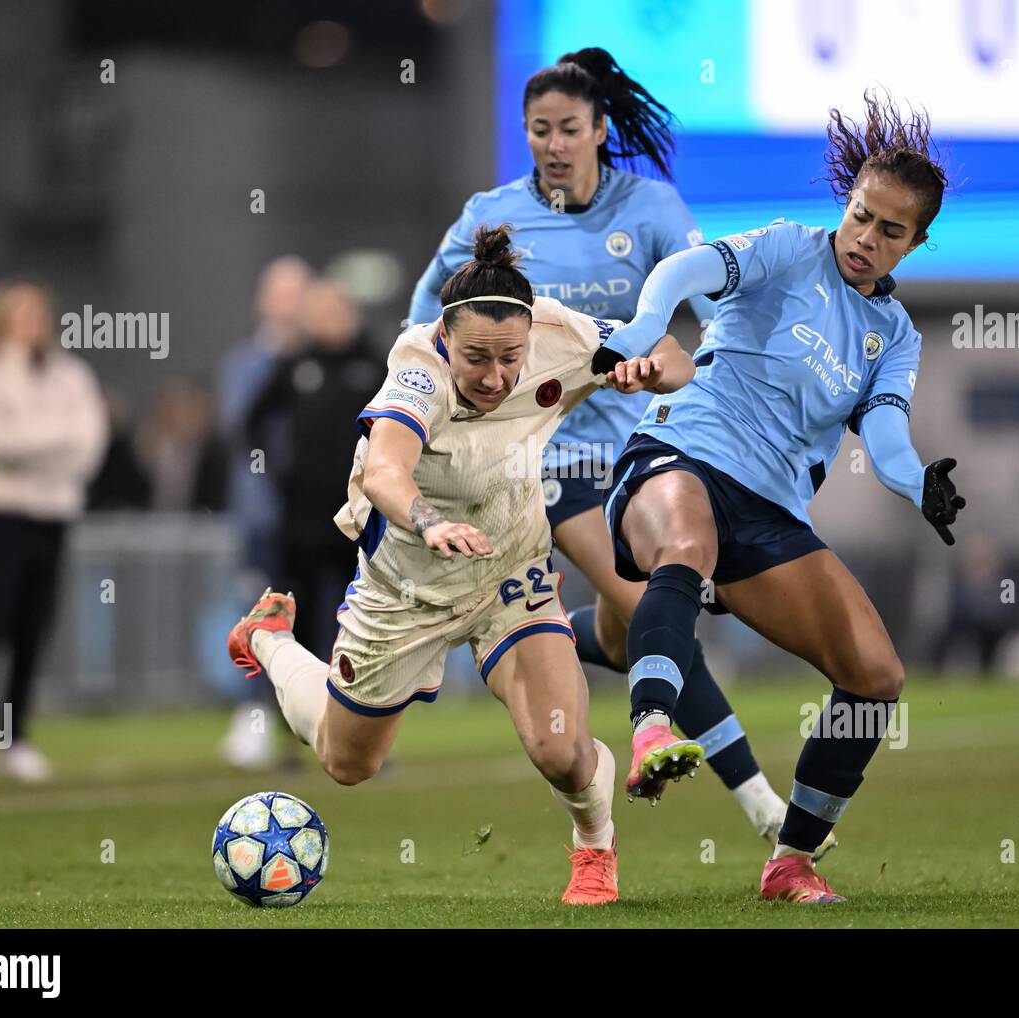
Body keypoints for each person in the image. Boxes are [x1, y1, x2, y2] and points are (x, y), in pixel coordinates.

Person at [407, 47, 804, 849]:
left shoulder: (650, 209)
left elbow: (709, 310)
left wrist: (671, 365)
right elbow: (423, 322)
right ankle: (764, 805)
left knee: (632, 632)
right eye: (537, 130)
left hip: (644, 451)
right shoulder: (495, 215)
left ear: (599, 130)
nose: (552, 144)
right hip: (542, 462)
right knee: (657, 609)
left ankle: (527, 640)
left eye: (568, 129)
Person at [228, 224, 695, 904]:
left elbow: (675, 352)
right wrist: (429, 520)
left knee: (560, 747)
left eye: (511, 358)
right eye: (478, 357)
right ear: (447, 339)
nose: (497, 376)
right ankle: (269, 641)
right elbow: (386, 470)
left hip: (511, 569)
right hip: (407, 586)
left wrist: (649, 368)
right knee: (347, 761)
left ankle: (594, 852)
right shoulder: (417, 370)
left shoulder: (563, 335)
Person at [597, 91, 966, 903]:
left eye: (890, 230)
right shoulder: (788, 249)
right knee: (686, 552)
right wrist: (642, 325)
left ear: (918, 242)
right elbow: (684, 270)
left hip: (769, 514)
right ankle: (651, 726)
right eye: (861, 215)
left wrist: (918, 484)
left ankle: (790, 860)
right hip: (681, 451)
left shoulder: (895, 337)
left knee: (876, 677)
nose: (866, 238)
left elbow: (888, 433)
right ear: (848, 202)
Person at [0, 278, 108, 782]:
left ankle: (15, 739)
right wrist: (55, 441)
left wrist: (40, 443)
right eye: (21, 314)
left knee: (34, 625)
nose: (32, 324)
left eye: (39, 313)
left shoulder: (71, 374)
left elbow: (91, 442)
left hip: (52, 515)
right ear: (1, 319)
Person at [245, 279, 385, 658]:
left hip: (358, 508)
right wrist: (276, 471)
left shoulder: (375, 364)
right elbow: (251, 421)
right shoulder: (295, 365)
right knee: (298, 601)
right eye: (321, 313)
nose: (330, 321)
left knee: (358, 603)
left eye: (337, 312)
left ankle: (355, 691)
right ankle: (293, 694)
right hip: (302, 513)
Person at [217, 255, 311, 769]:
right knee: (259, 615)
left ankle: (313, 721)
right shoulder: (247, 363)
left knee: (316, 617)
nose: (292, 304)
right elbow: (241, 428)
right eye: (283, 293)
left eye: (300, 293)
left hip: (312, 520)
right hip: (261, 515)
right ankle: (251, 716)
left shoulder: (323, 362)